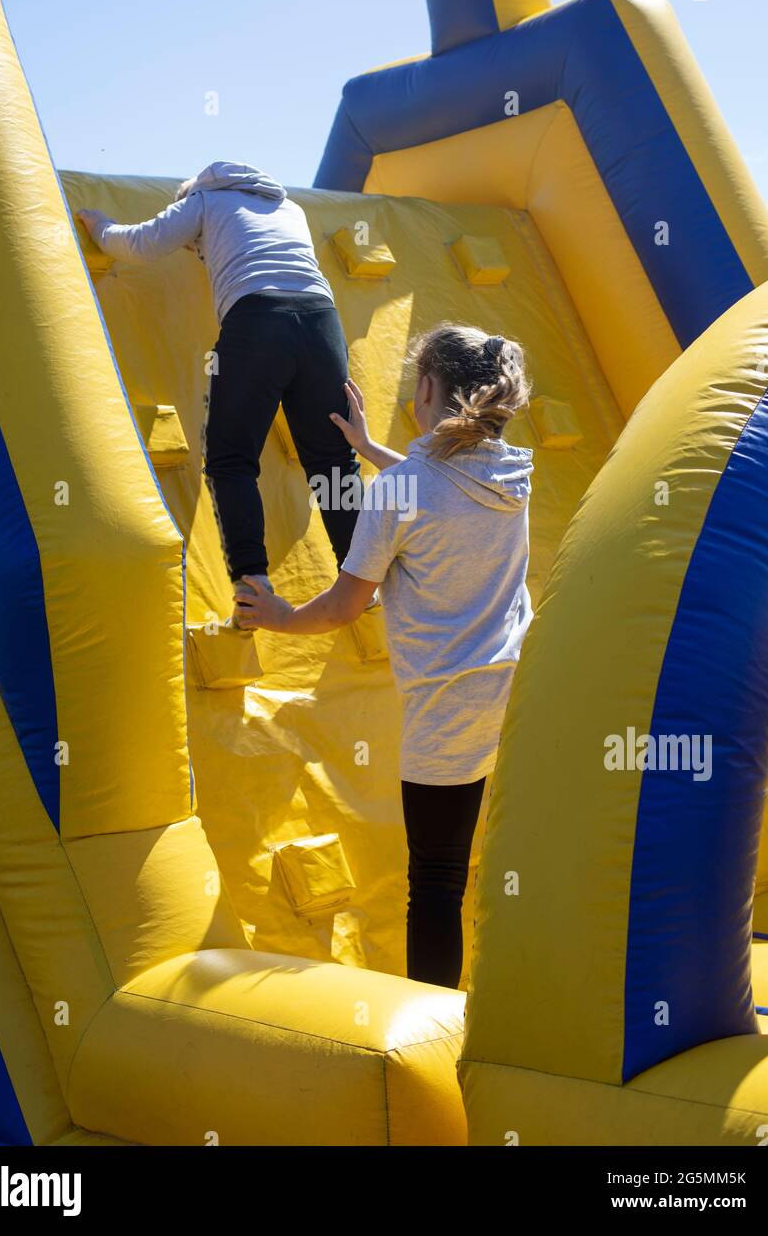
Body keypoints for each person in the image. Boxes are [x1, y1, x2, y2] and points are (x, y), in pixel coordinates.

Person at [237, 324, 534, 988]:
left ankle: (434, 1023)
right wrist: (370, 449)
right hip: (520, 696)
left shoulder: (398, 494)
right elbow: (445, 487)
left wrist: (281, 617)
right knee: (514, 866)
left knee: (436, 879)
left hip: (449, 711)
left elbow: (347, 605)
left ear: (426, 389)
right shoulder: (513, 471)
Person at [78, 162, 360, 623]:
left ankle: (252, 585)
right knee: (333, 461)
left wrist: (100, 225)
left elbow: (143, 243)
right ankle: (363, 578)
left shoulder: (203, 201)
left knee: (231, 459)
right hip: (322, 324)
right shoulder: (289, 207)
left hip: (258, 320)